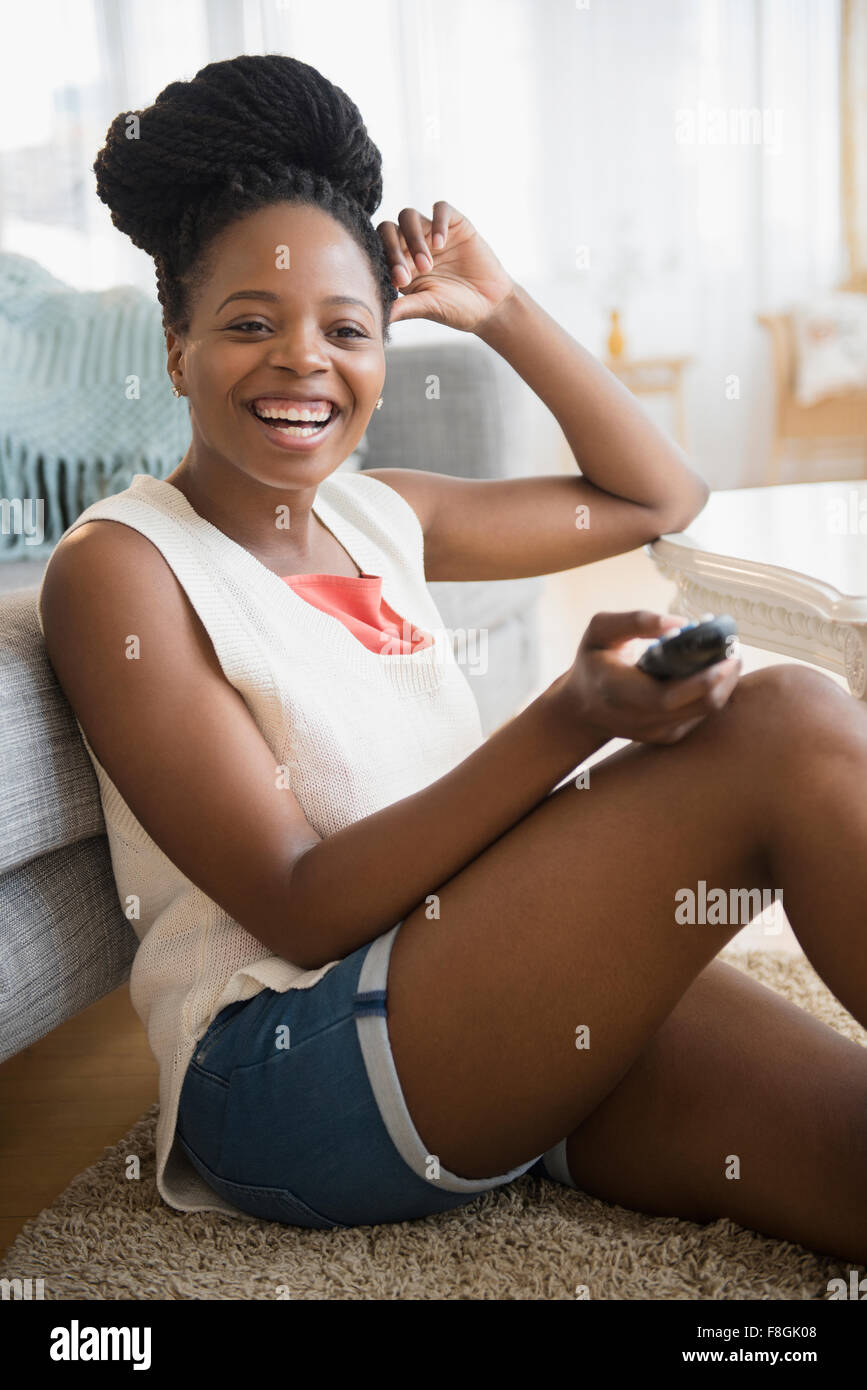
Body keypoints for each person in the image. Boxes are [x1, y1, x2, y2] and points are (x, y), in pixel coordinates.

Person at [38, 54, 866, 1261]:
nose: (302, 361)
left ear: (385, 353)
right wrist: (573, 717)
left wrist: (505, 307)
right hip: (288, 1070)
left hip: (473, 1009)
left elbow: (656, 495)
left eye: (346, 329)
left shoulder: (386, 514)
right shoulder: (123, 566)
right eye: (249, 325)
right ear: (175, 348)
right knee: (789, 722)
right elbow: (298, 902)